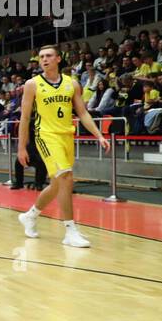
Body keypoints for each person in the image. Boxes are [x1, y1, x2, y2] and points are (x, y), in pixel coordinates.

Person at [16, 45, 110, 248]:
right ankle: (70, 230)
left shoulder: (72, 84)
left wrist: (99, 135)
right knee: (67, 177)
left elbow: (83, 113)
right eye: (41, 57)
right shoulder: (32, 84)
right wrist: (21, 147)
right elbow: (24, 118)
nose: (44, 59)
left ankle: (30, 215)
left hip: (67, 135)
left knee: (58, 183)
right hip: (45, 136)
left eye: (49, 56)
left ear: (58, 59)